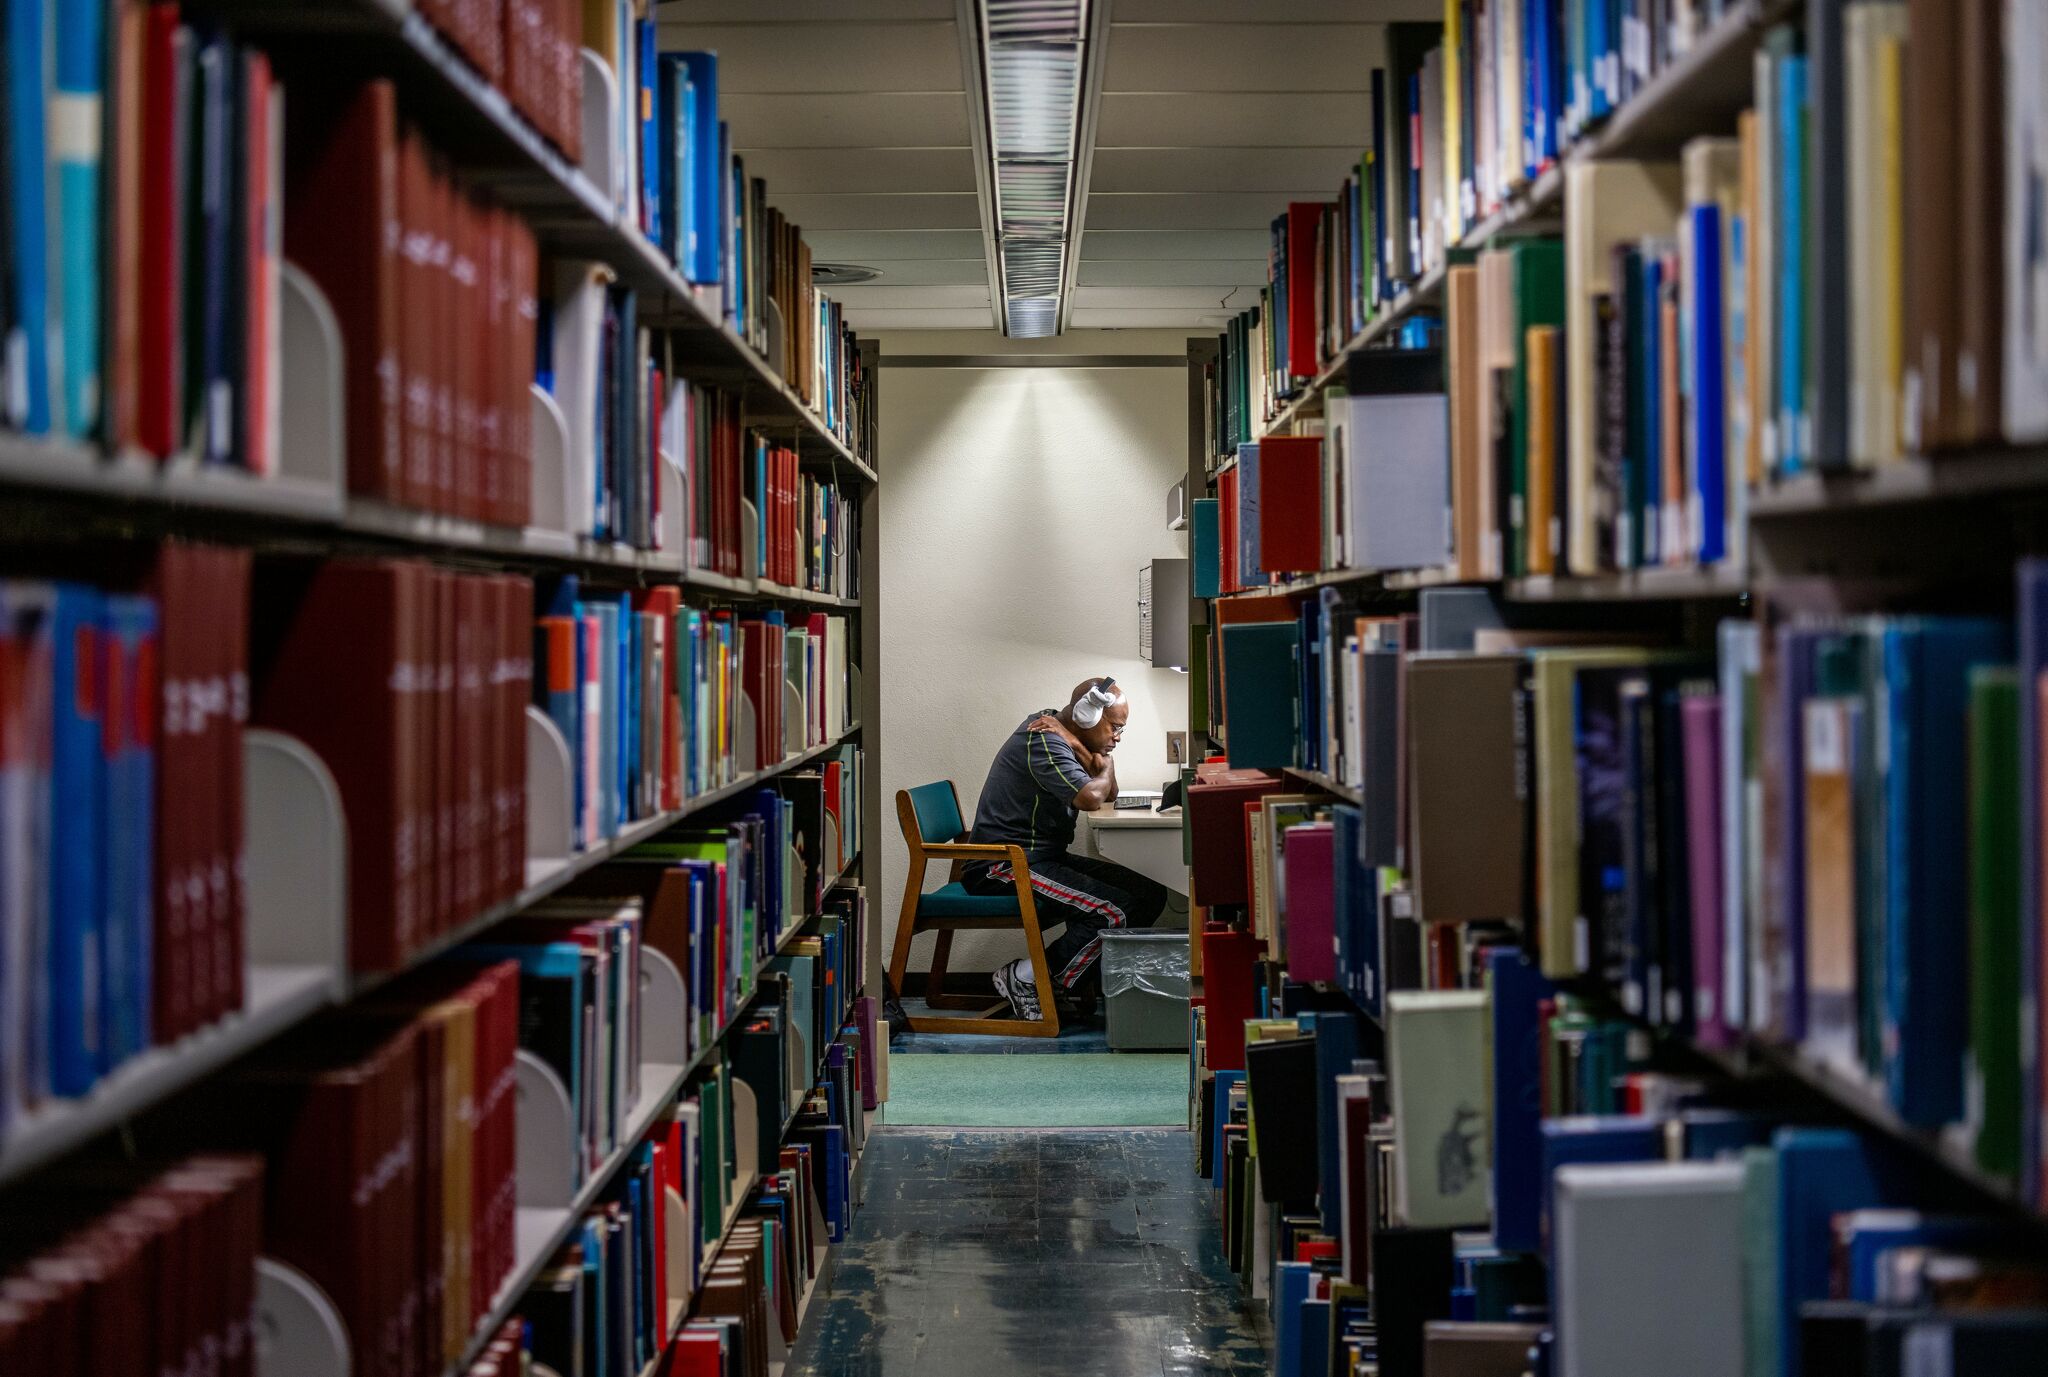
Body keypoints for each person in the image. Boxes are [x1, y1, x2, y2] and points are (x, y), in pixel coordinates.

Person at [960, 677, 1170, 1022]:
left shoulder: (1061, 733)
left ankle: (1052, 981)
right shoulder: (1043, 738)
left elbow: (1110, 790)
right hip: (1002, 863)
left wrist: (1086, 744)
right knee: (1112, 911)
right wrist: (1091, 753)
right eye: (1115, 728)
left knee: (1147, 893)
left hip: (1040, 858)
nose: (1117, 737)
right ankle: (1028, 978)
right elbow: (1092, 797)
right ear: (1087, 716)